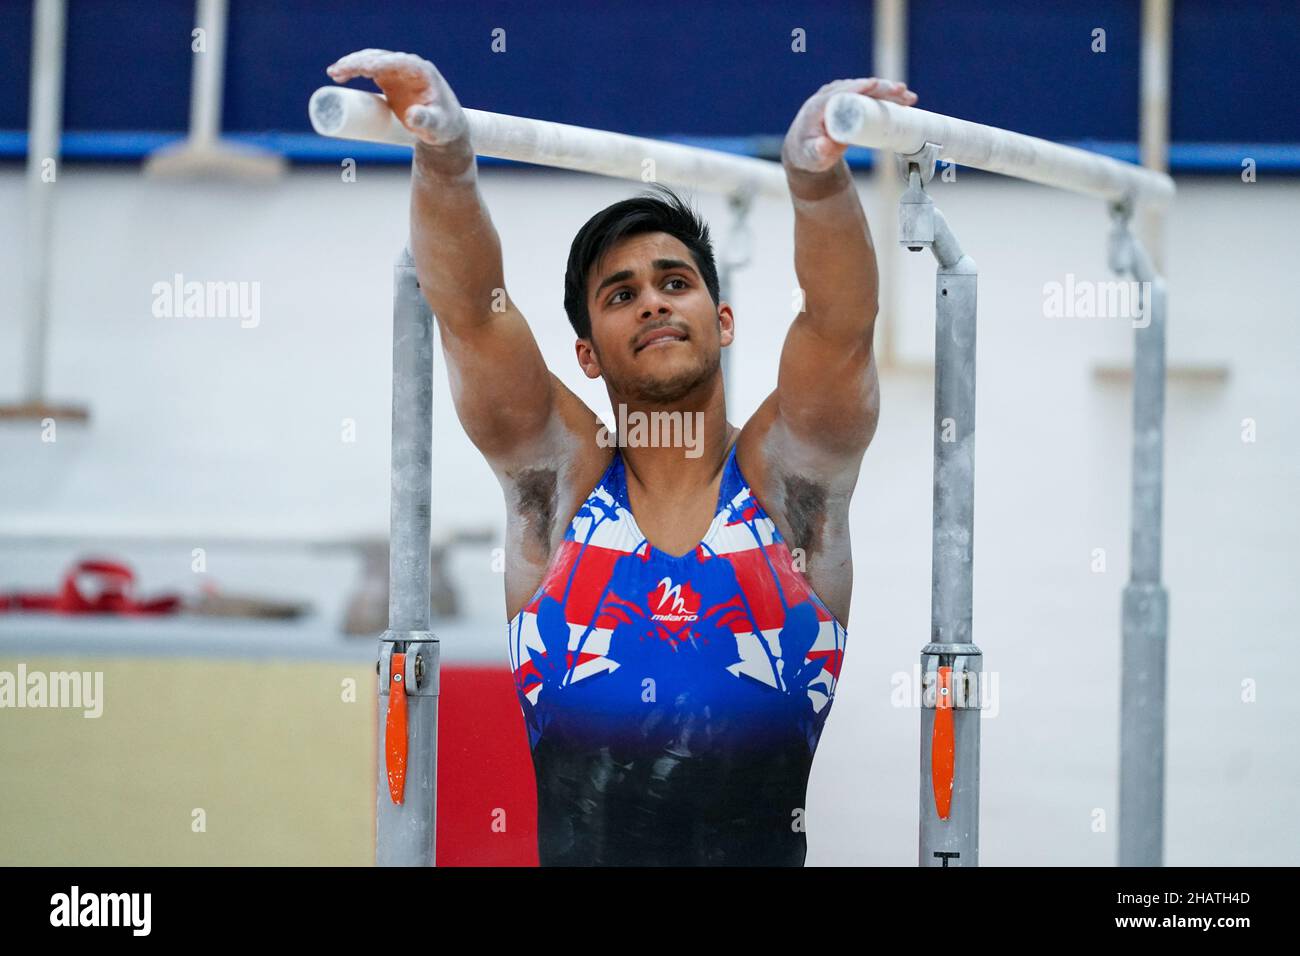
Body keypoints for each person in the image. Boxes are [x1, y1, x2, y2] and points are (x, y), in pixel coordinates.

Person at [325, 50, 917, 866]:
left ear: (725, 319)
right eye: (621, 294)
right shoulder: (558, 491)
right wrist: (447, 161)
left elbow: (839, 325)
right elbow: (469, 313)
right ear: (588, 354)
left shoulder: (790, 486)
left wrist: (814, 182)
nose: (653, 300)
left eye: (676, 281)